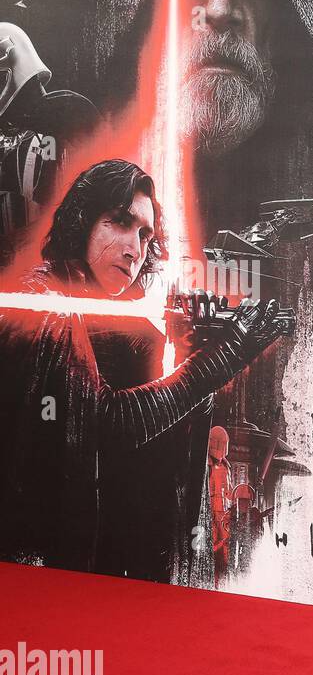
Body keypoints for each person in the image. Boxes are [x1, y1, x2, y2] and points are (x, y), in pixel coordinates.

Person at [0, 158, 288, 574]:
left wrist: (192, 354)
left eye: (144, 235)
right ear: (82, 221)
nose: (134, 249)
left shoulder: (105, 321)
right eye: (120, 222)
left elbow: (148, 454)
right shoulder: (44, 303)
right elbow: (103, 424)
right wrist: (223, 355)